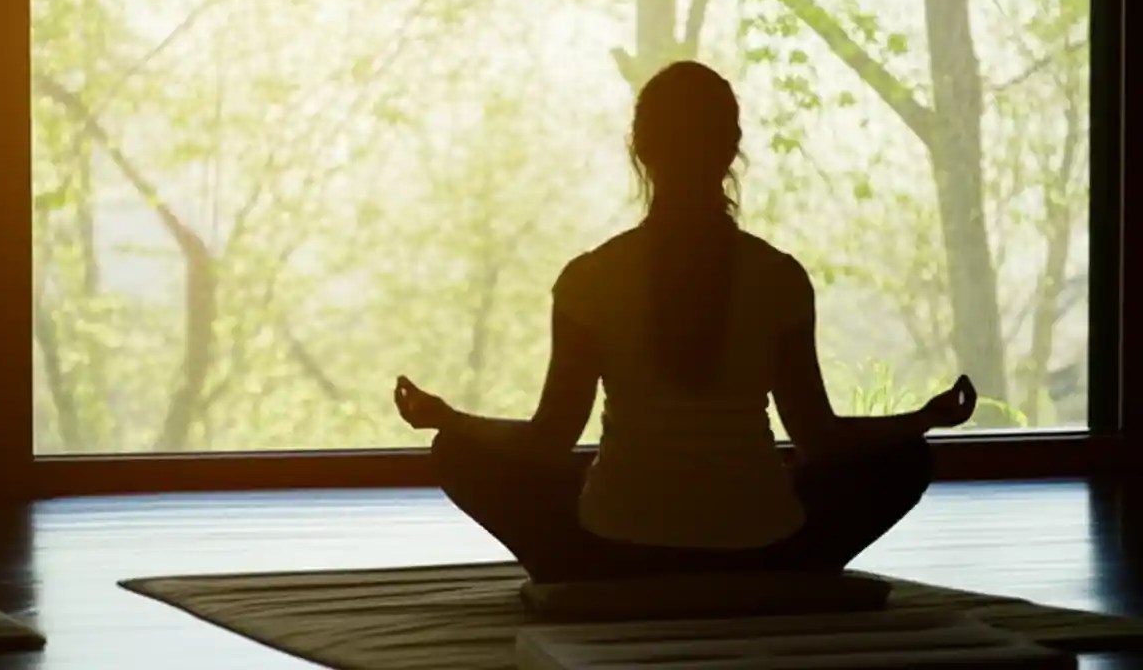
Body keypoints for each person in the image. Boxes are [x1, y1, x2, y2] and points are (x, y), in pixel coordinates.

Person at [392, 60, 977, 584]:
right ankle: (778, 575)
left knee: (455, 452)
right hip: (765, 547)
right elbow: (819, 439)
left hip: (609, 548)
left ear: (641, 149)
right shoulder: (778, 276)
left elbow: (549, 442)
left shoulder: (589, 278)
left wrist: (450, 419)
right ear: (731, 149)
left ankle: (598, 575)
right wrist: (921, 419)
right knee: (908, 459)